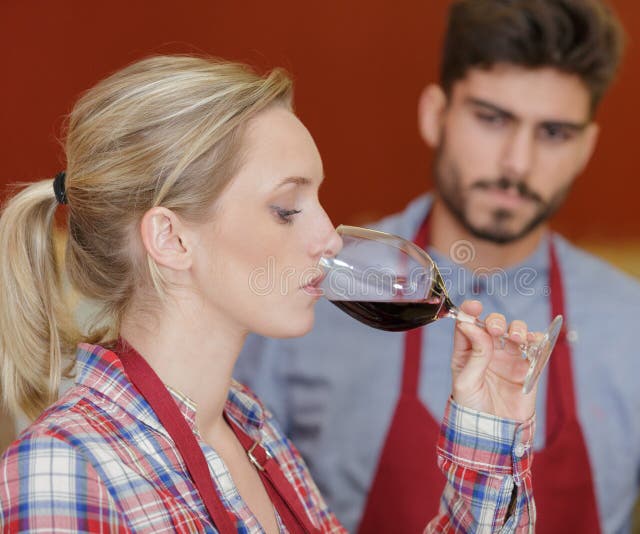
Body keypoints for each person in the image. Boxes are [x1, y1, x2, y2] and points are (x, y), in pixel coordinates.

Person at [234, 0, 640, 532]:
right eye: (492, 118)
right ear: (436, 115)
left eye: (553, 133)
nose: (517, 162)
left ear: (585, 148)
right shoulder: (308, 291)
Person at [0, 55, 543, 532]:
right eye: (286, 210)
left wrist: (488, 432)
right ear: (171, 238)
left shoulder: (248, 424)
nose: (329, 236)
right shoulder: (65, 470)